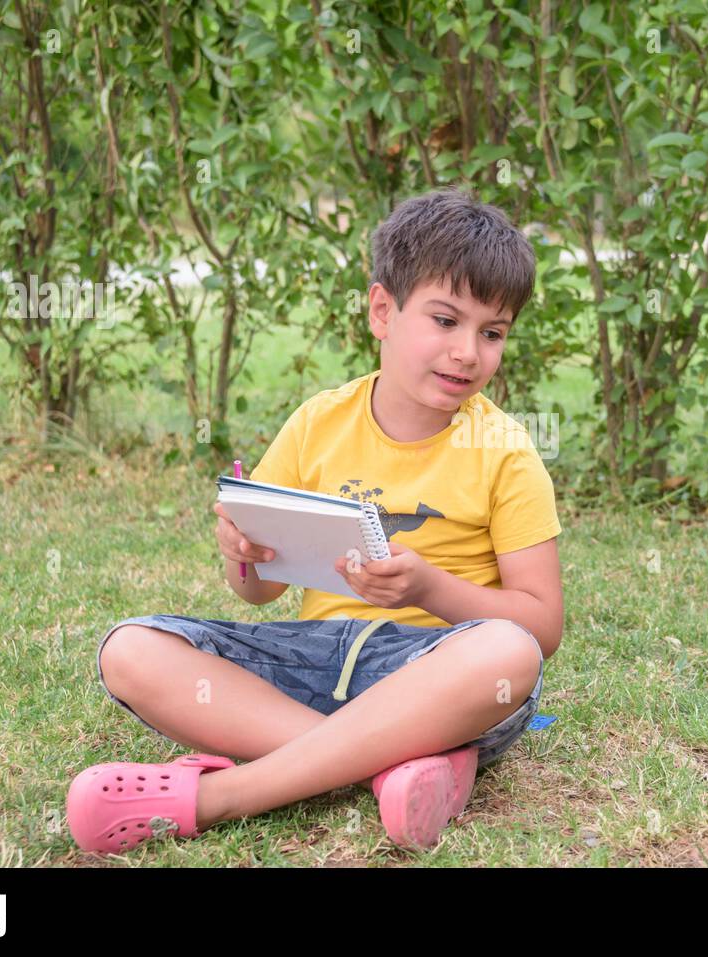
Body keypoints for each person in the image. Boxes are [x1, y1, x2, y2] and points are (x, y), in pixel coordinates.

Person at [67, 187, 564, 853]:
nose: (468, 352)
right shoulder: (318, 423)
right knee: (130, 650)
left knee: (508, 654)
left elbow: (541, 625)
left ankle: (224, 795)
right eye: (445, 320)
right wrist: (244, 557)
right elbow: (261, 590)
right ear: (382, 310)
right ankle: (390, 767)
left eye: (492, 332)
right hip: (314, 659)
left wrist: (428, 589)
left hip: (435, 672)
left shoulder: (505, 449)